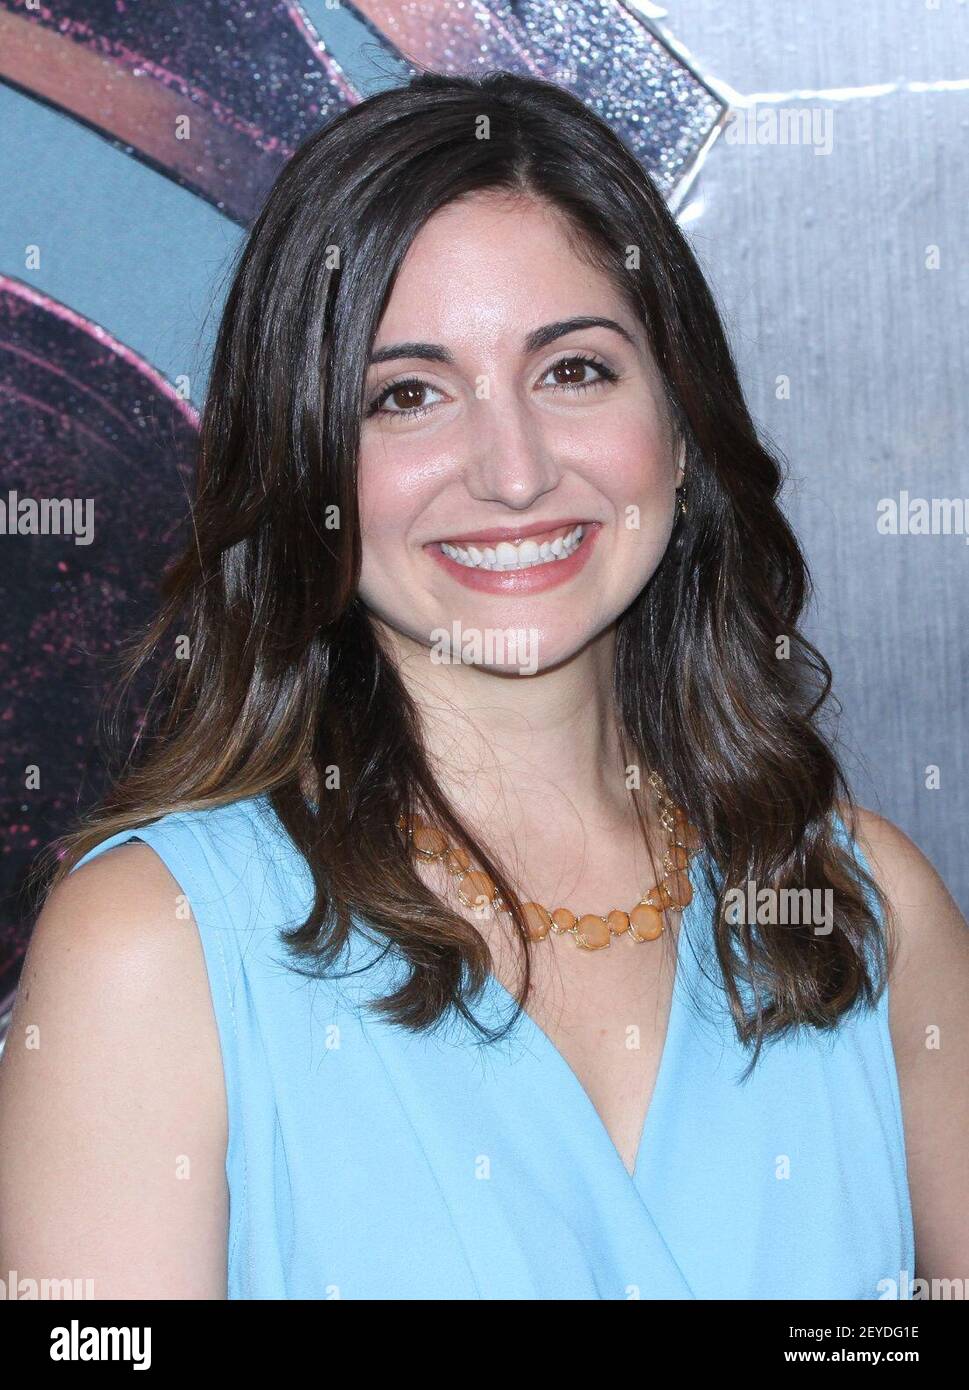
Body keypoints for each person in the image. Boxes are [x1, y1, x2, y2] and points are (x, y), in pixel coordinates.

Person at [0, 69, 966, 1301]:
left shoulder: (867, 910)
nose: (511, 472)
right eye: (408, 394)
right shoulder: (159, 949)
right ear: (306, 463)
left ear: (678, 423)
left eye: (573, 371)